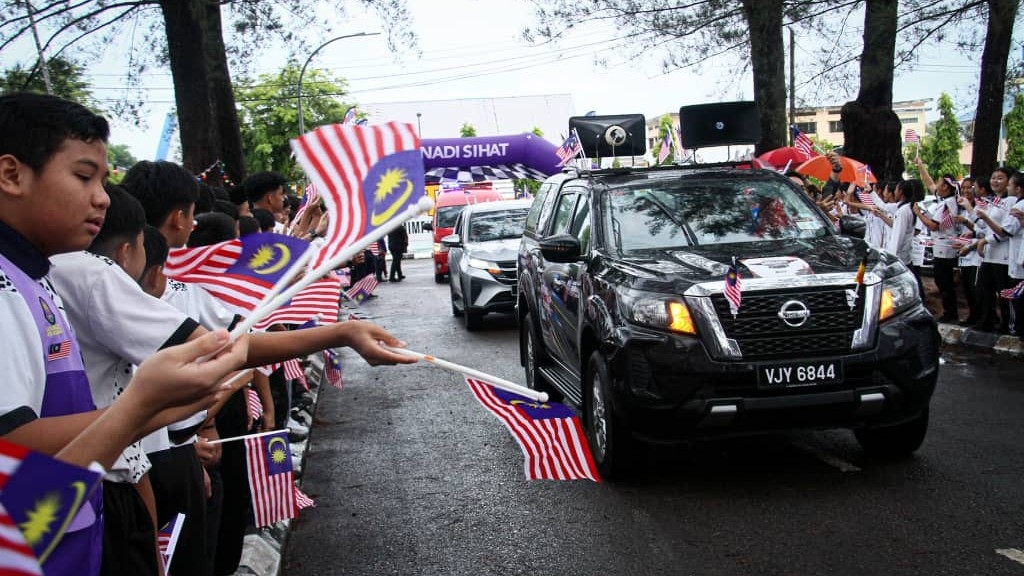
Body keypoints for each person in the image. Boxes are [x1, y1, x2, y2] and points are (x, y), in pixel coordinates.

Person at [0, 91, 247, 576]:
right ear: (12, 175)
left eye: (104, 180)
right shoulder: (14, 283)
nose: (102, 198)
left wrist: (156, 408)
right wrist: (140, 407)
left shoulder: (35, 277)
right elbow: (16, 449)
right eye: (83, 175)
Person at [913, 158, 962, 322]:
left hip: (945, 246)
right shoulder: (946, 200)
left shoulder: (947, 204)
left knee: (944, 281)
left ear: (946, 187)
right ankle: (950, 311)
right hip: (941, 245)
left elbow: (934, 226)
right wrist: (921, 166)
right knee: (942, 280)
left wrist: (919, 213)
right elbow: (930, 185)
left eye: (940, 183)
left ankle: (951, 312)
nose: (937, 186)